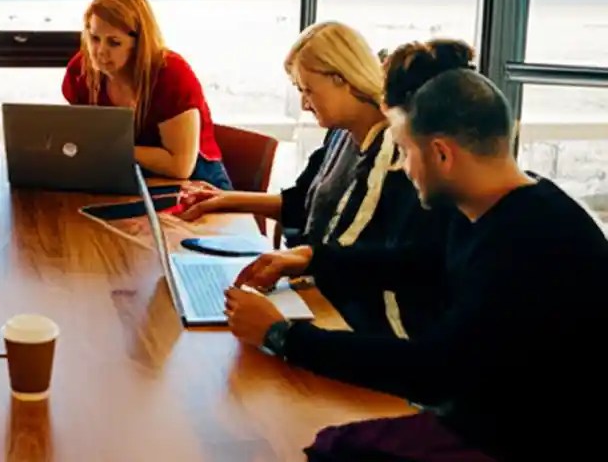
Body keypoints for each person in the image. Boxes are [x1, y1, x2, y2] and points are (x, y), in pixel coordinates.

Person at [224, 41, 608, 461]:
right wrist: (314, 258)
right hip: (494, 413)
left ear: (442, 153)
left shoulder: (529, 244)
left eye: (405, 152)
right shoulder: (508, 203)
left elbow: (434, 371)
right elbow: (424, 262)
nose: (403, 167)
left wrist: (281, 335)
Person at [181, 22, 450, 337]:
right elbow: (301, 202)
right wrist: (225, 200)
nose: (304, 104)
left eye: (308, 90)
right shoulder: (340, 133)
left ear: (342, 79)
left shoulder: (390, 150)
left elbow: (341, 253)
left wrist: (294, 266)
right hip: (325, 291)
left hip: (360, 318)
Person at [61, 0, 231, 187]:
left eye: (114, 42)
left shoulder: (171, 74)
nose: (100, 51)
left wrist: (108, 147)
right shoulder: (81, 71)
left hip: (198, 181)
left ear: (139, 43)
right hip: (126, 174)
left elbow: (180, 166)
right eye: (94, 38)